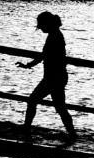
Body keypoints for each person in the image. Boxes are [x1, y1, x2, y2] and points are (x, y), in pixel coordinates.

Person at [16, 11, 76, 140]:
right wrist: (30, 65)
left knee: (33, 101)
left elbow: (43, 55)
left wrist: (28, 65)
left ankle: (26, 129)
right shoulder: (56, 35)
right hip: (57, 76)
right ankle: (72, 133)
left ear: (47, 24)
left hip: (52, 77)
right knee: (60, 107)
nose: (40, 28)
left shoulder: (54, 37)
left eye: (41, 25)